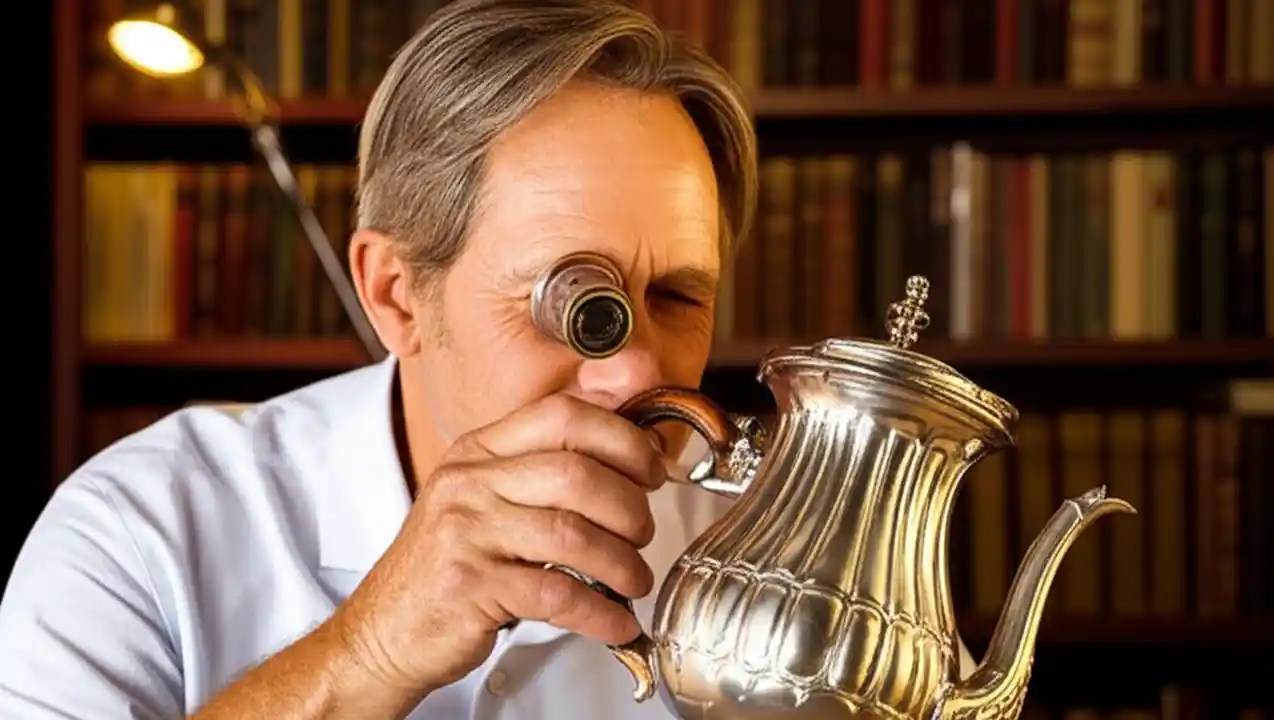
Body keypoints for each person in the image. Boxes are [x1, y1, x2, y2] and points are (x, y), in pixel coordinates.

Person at [0, 0, 756, 717]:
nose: (636, 373)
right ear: (396, 295)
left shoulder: (765, 562)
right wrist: (369, 651)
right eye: (577, 306)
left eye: (678, 300)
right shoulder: (136, 533)